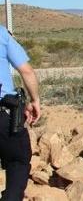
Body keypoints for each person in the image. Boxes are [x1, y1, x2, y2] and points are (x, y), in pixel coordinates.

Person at [0, 26, 40, 201]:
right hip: (3, 115)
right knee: (18, 162)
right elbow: (26, 71)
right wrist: (35, 100)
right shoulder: (1, 33)